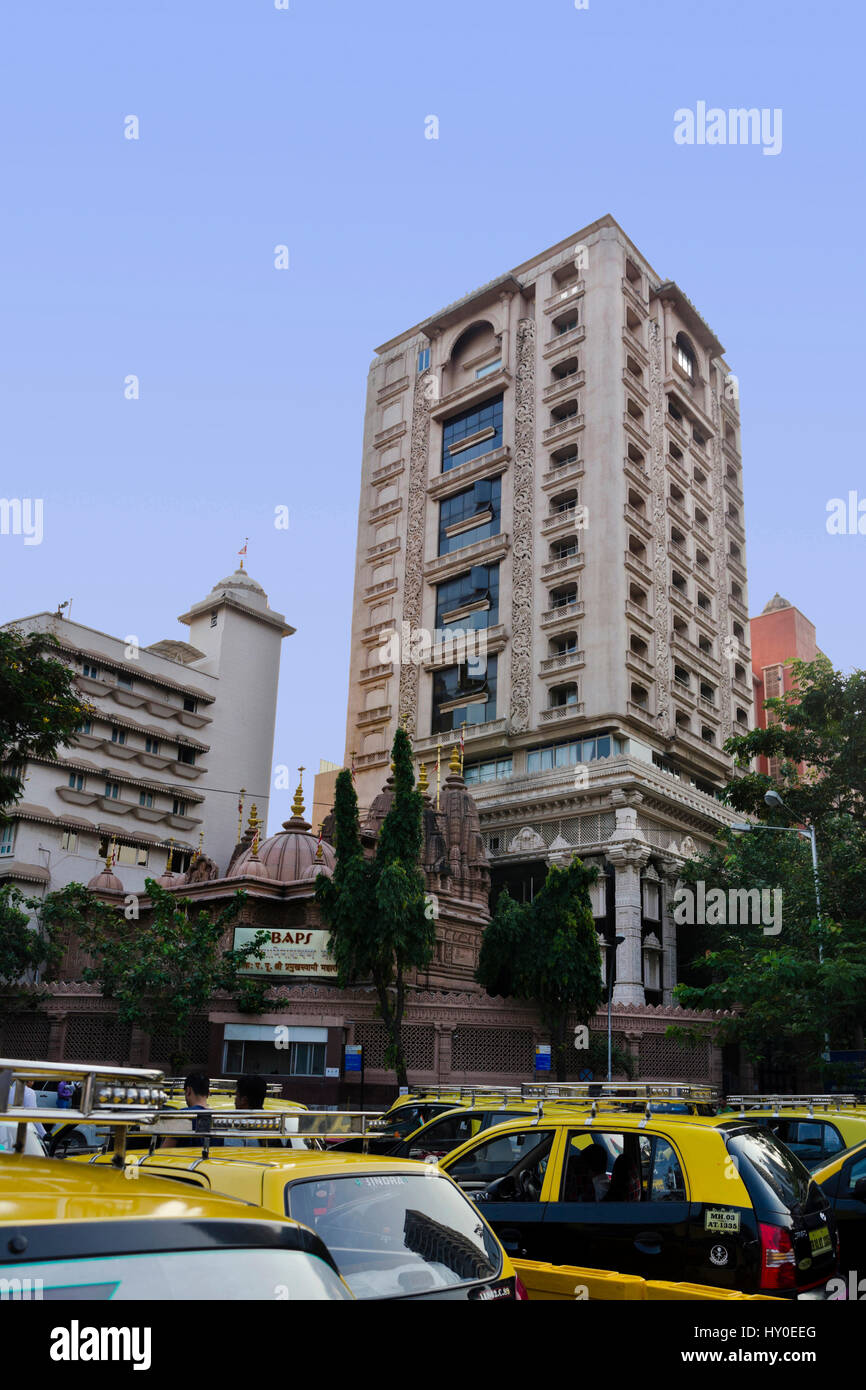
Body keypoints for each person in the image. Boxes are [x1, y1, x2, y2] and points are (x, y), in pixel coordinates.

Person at [161, 1072, 210, 1148]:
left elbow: (164, 1150)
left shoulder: (183, 1116)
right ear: (208, 1093)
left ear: (188, 1090)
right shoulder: (219, 1117)